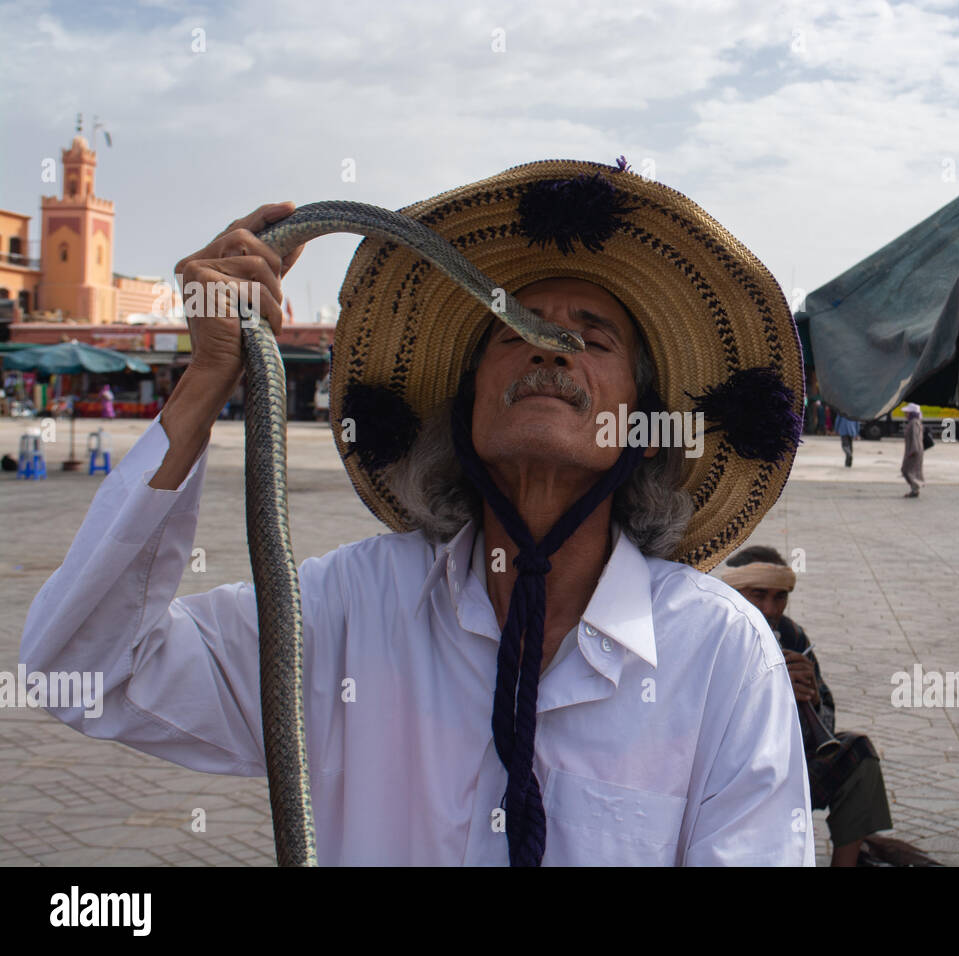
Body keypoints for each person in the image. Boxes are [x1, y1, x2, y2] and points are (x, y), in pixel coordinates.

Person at [20, 161, 814, 866]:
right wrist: (207, 378)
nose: (548, 349)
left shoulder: (721, 654)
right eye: (514, 331)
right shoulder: (344, 613)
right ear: (464, 405)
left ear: (642, 429)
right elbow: (86, 670)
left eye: (592, 339)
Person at [720, 546, 936, 868]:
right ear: (734, 592)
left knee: (857, 753)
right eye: (759, 595)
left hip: (786, 763)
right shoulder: (716, 634)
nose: (770, 608)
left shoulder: (791, 635)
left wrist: (813, 699)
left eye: (780, 597)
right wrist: (764, 693)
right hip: (726, 773)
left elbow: (825, 731)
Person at [901, 402, 925, 497]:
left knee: (907, 470)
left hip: (914, 450)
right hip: (913, 450)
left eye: (907, 412)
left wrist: (913, 450)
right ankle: (915, 489)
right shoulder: (914, 422)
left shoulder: (914, 423)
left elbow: (916, 438)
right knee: (910, 470)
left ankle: (915, 489)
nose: (905, 414)